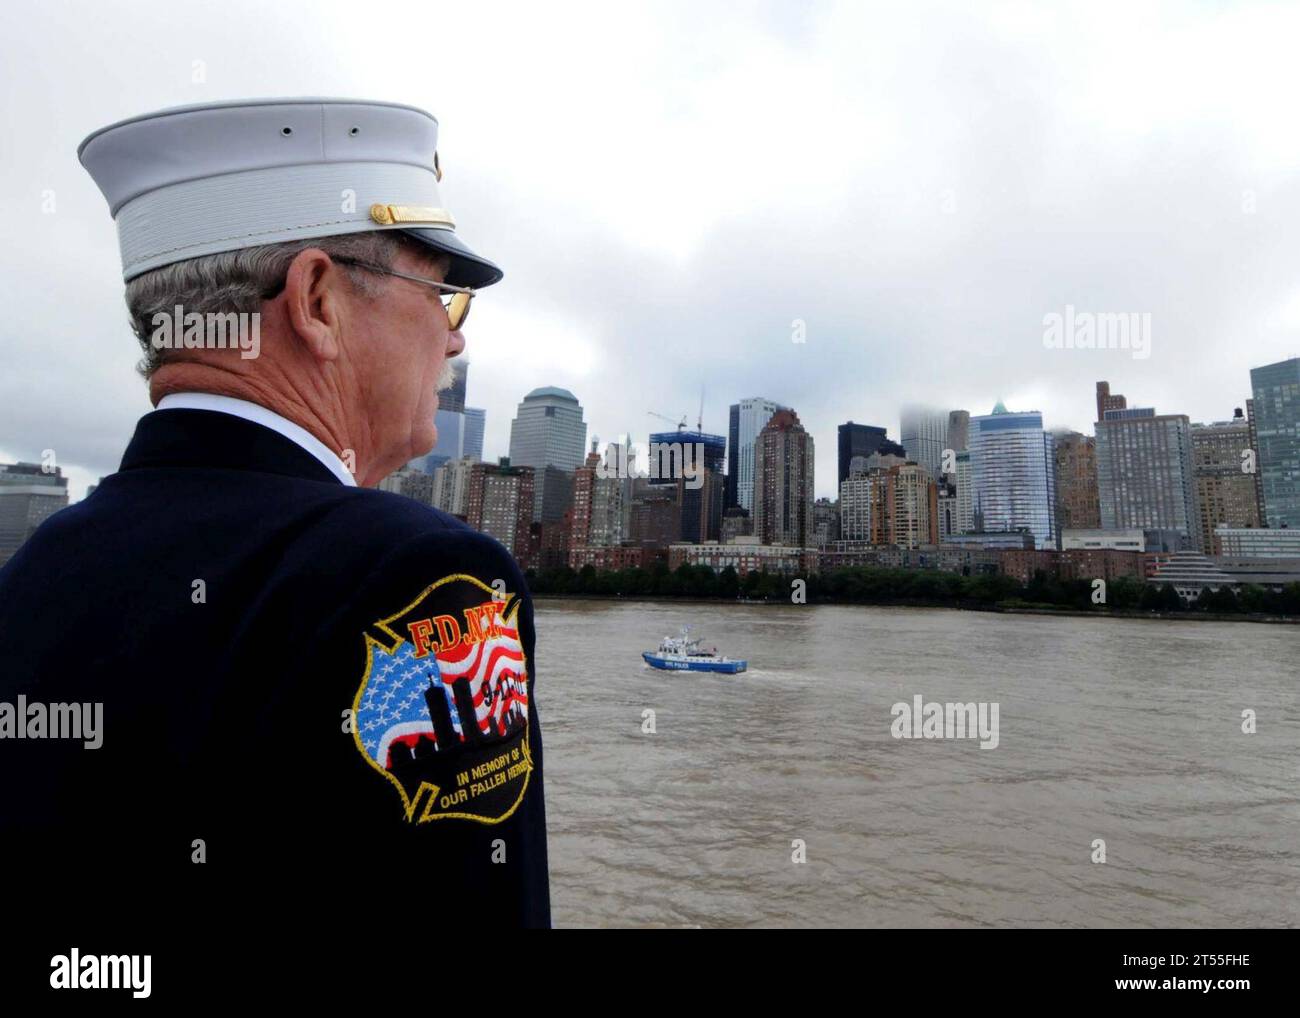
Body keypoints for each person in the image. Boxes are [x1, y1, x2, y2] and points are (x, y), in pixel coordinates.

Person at [0, 99, 551, 933]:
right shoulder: (427, 584)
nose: (454, 339)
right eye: (442, 293)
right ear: (319, 300)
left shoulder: (31, 576)